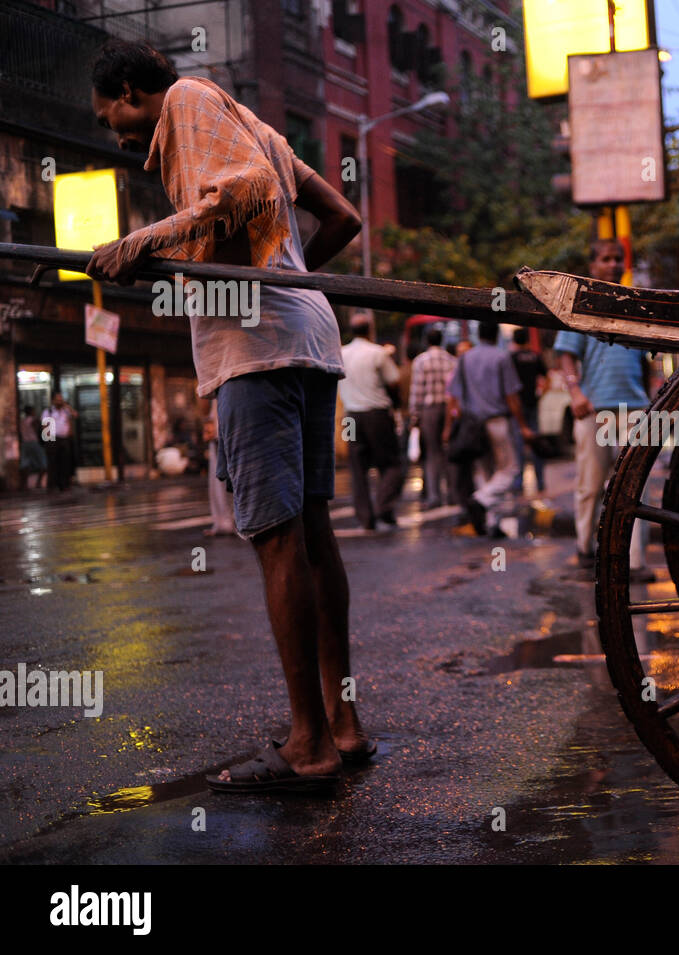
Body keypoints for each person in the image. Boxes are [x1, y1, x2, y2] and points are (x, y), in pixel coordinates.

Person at [86, 39, 373, 791]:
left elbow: (240, 191)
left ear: (125, 89)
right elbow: (341, 215)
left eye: (110, 114)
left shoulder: (186, 102)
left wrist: (139, 242)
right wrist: (293, 280)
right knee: (312, 532)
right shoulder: (256, 123)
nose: (115, 134)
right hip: (308, 335)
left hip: (257, 350)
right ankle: (342, 723)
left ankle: (307, 742)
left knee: (279, 542)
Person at [554, 240, 654, 582]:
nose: (613, 265)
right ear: (593, 265)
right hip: (594, 409)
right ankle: (585, 551)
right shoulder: (584, 304)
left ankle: (635, 562)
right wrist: (574, 390)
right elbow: (565, 354)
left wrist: (655, 397)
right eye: (606, 259)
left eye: (618, 259)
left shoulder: (633, 305)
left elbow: (647, 361)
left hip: (634, 408)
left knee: (634, 489)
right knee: (591, 486)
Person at [442, 320, 534, 536]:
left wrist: (449, 426)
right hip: (497, 422)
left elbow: (453, 396)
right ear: (495, 335)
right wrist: (522, 425)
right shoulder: (501, 357)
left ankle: (492, 523)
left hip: (473, 424)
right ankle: (480, 501)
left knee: (484, 472)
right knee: (509, 469)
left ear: (478, 336)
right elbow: (511, 396)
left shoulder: (464, 359)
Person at [339, 312, 404, 531]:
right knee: (392, 464)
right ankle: (383, 507)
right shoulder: (378, 353)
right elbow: (394, 381)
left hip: (351, 417)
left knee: (357, 469)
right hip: (376, 413)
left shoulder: (341, 353)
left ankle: (365, 517)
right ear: (369, 330)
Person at [408, 325, 457, 507]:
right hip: (448, 408)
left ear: (427, 341)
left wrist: (414, 415)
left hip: (429, 410)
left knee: (431, 453)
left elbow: (417, 391)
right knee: (449, 451)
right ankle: (453, 494)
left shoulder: (420, 361)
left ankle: (434, 496)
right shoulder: (451, 360)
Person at [509, 327, 548, 495]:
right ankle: (540, 481)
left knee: (518, 445)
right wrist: (540, 395)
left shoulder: (511, 358)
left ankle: (519, 482)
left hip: (517, 406)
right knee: (536, 444)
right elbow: (546, 379)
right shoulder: (535, 356)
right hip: (533, 403)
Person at [199, 395, 236, 535]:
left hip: (218, 424)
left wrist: (207, 421)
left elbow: (203, 397)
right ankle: (233, 520)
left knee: (219, 478)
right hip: (232, 421)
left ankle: (224, 521)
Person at [41, 392, 78, 492]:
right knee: (53, 464)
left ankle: (64, 484)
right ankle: (52, 486)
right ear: (53, 401)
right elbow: (44, 427)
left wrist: (67, 406)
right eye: (57, 399)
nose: (59, 401)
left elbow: (75, 415)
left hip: (64, 439)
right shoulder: (48, 411)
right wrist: (48, 442)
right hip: (53, 440)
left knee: (65, 463)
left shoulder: (65, 411)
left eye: (61, 399)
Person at [18, 406, 47, 490]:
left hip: (25, 443)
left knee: (25, 464)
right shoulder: (34, 420)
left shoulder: (22, 421)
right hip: (34, 442)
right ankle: (38, 482)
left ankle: (24, 484)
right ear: (31, 411)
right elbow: (40, 429)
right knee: (44, 463)